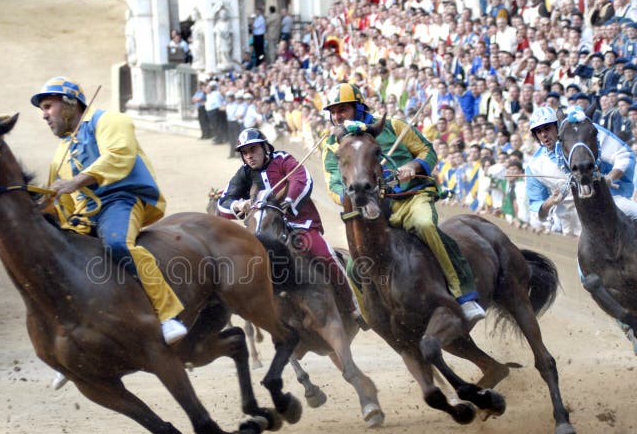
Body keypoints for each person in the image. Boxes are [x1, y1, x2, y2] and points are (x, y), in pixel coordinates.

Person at [31, 77, 187, 387]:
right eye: (42, 110)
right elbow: (54, 199)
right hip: (86, 216)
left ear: (71, 102)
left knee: (117, 244)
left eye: (48, 106)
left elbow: (120, 156)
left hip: (124, 199)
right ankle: (68, 345)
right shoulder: (60, 154)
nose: (44, 114)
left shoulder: (109, 120)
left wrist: (77, 181)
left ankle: (168, 315)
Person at [321, 83, 486, 324]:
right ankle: (370, 314)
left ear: (358, 108)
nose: (337, 116)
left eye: (343, 109)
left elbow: (428, 152)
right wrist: (353, 195)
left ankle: (464, 295)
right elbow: (334, 184)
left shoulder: (393, 126)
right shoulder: (331, 146)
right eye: (333, 112)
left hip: (411, 198)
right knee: (354, 268)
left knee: (425, 225)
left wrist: (412, 166)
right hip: (375, 209)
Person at [216, 128, 366, 328]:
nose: (249, 155)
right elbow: (223, 202)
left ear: (264, 148)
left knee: (325, 254)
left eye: (253, 149)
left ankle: (352, 306)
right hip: (264, 231)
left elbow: (302, 180)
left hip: (299, 225)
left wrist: (288, 200)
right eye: (245, 152)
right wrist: (237, 205)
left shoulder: (283, 159)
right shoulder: (244, 173)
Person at [526, 105, 637, 236]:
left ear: (557, 125)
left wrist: (610, 177)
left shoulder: (585, 133)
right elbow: (537, 211)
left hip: (608, 203)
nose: (544, 134)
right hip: (572, 223)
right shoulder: (534, 166)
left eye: (547, 128)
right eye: (538, 132)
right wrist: (550, 202)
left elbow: (625, 155)